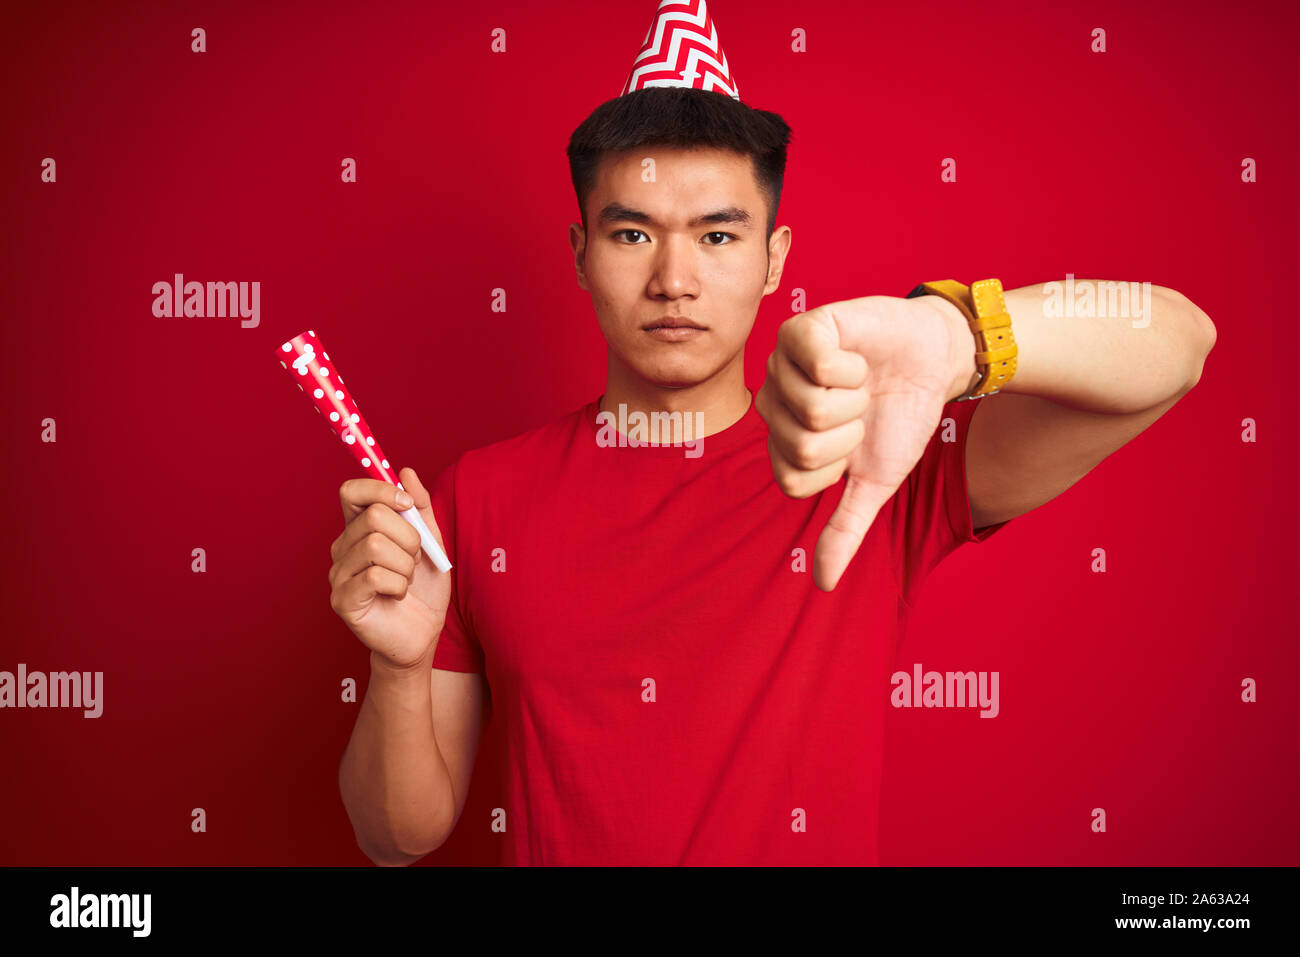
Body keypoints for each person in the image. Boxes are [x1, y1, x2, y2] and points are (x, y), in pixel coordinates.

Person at [330, 10, 1216, 866]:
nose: (674, 279)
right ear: (579, 253)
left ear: (774, 258)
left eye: (718, 234)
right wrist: (399, 668)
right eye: (632, 232)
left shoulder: (870, 457)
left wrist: (956, 337)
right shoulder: (474, 497)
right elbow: (395, 838)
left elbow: (1178, 343)